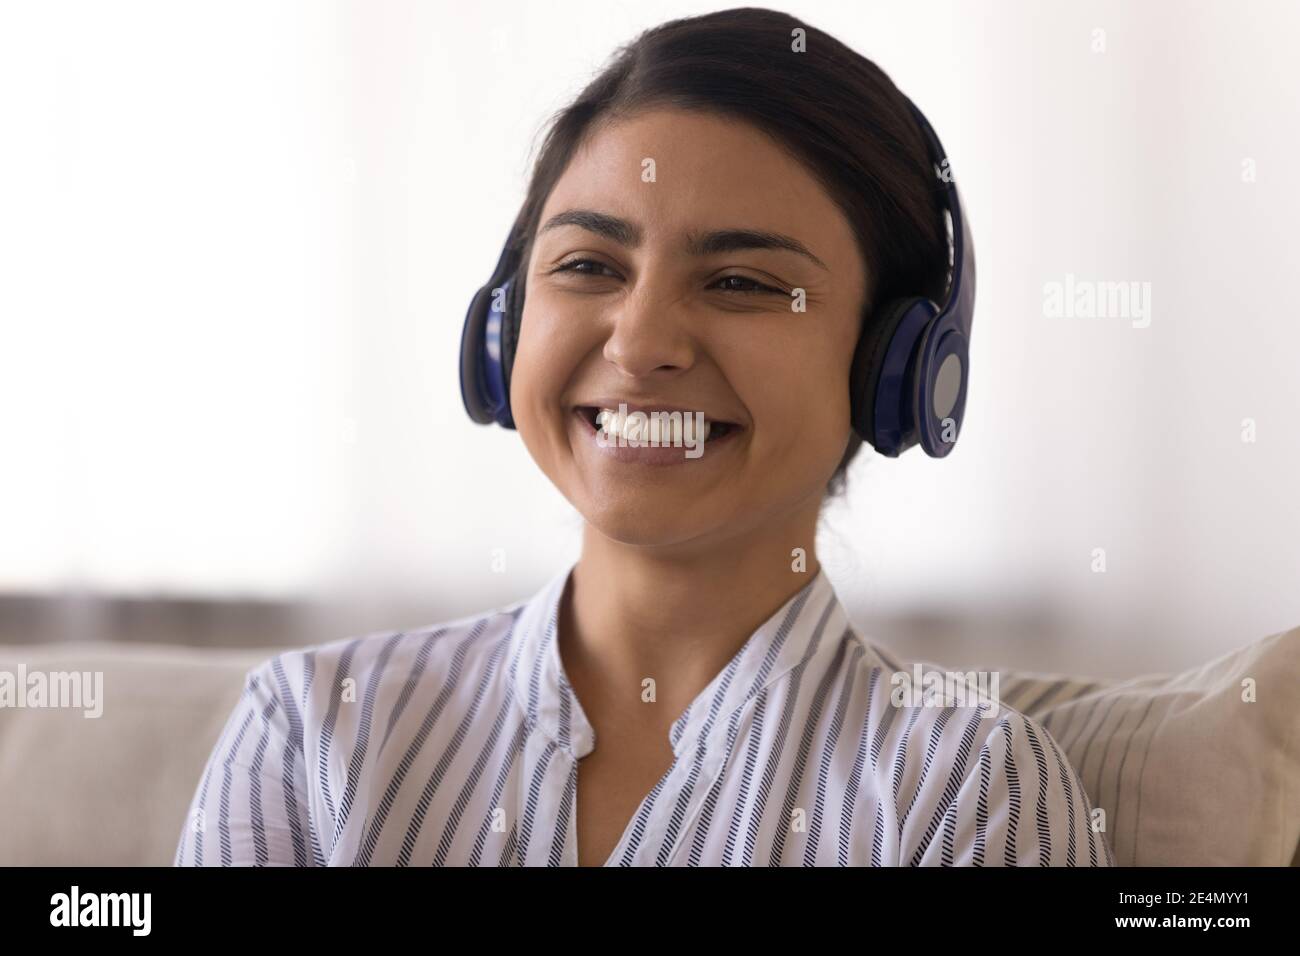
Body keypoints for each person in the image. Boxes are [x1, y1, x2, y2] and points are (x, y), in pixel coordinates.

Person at [175, 7, 1114, 867]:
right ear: (504, 330)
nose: (641, 343)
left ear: (896, 367)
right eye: (587, 265)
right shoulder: (311, 733)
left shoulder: (966, 790)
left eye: (742, 282)